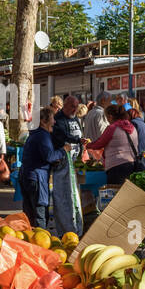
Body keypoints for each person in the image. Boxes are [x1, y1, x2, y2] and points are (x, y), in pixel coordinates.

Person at [19, 107, 67, 231]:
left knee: (30, 214)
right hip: (36, 177)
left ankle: (30, 240)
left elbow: (42, 156)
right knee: (40, 214)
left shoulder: (35, 134)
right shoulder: (42, 136)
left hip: (28, 175)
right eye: (52, 119)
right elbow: (49, 156)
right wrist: (64, 150)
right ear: (43, 121)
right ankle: (40, 244)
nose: (54, 122)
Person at [50, 95, 85, 236]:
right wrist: (78, 140)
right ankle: (66, 230)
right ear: (65, 105)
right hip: (62, 164)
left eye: (76, 106)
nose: (75, 109)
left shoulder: (75, 118)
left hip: (74, 164)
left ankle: (76, 228)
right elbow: (62, 136)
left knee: (74, 196)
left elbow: (78, 135)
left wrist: (81, 151)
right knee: (64, 197)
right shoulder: (58, 119)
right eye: (72, 106)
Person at [87, 102, 139, 187]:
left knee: (116, 194)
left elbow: (99, 143)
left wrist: (88, 145)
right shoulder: (132, 127)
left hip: (116, 167)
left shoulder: (112, 128)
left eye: (106, 117)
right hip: (132, 164)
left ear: (110, 116)